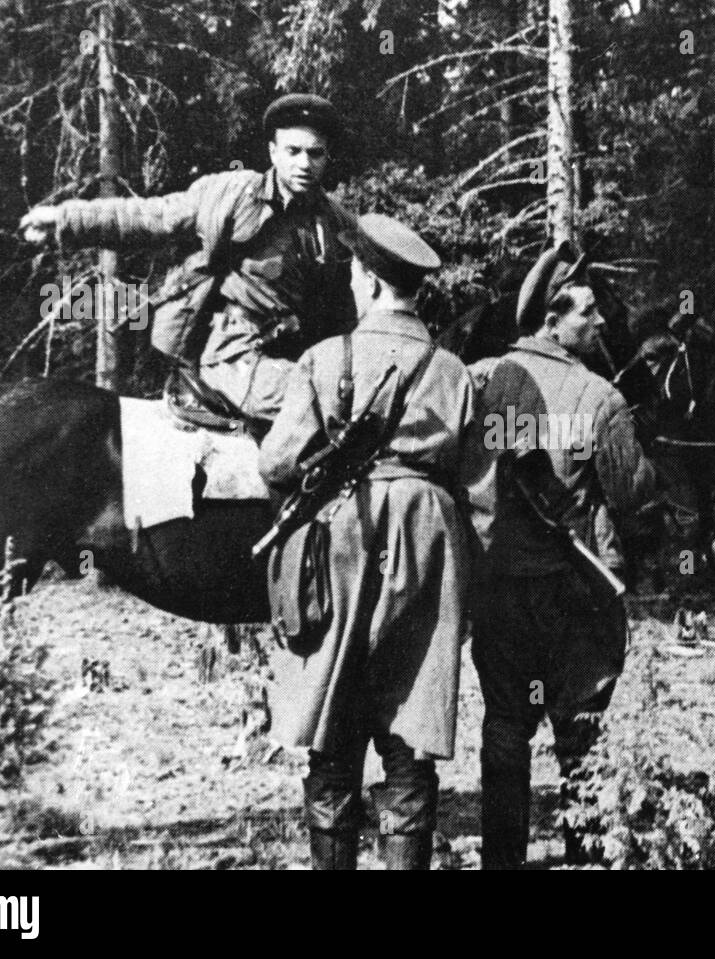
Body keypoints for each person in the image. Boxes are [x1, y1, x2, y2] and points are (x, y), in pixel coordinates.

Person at [258, 213, 475, 870]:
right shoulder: (454, 371)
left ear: (368, 280)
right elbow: (477, 486)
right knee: (409, 738)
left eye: (354, 274)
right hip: (431, 544)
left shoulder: (325, 359)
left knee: (334, 732)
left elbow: (276, 463)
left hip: (342, 540)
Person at [465, 242, 656, 869]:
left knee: (504, 728)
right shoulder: (599, 397)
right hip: (577, 591)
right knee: (580, 732)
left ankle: (503, 861)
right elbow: (633, 499)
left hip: (498, 587)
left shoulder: (480, 380)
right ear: (552, 320)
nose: (600, 323)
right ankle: (586, 856)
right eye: (587, 314)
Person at [20, 93, 356, 420]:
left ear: (327, 158)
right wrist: (67, 220)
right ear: (272, 152)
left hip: (295, 355)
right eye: (293, 151)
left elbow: (365, 292)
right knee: (310, 400)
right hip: (231, 350)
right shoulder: (233, 194)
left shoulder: (334, 222)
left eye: (315, 154)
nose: (304, 164)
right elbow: (152, 216)